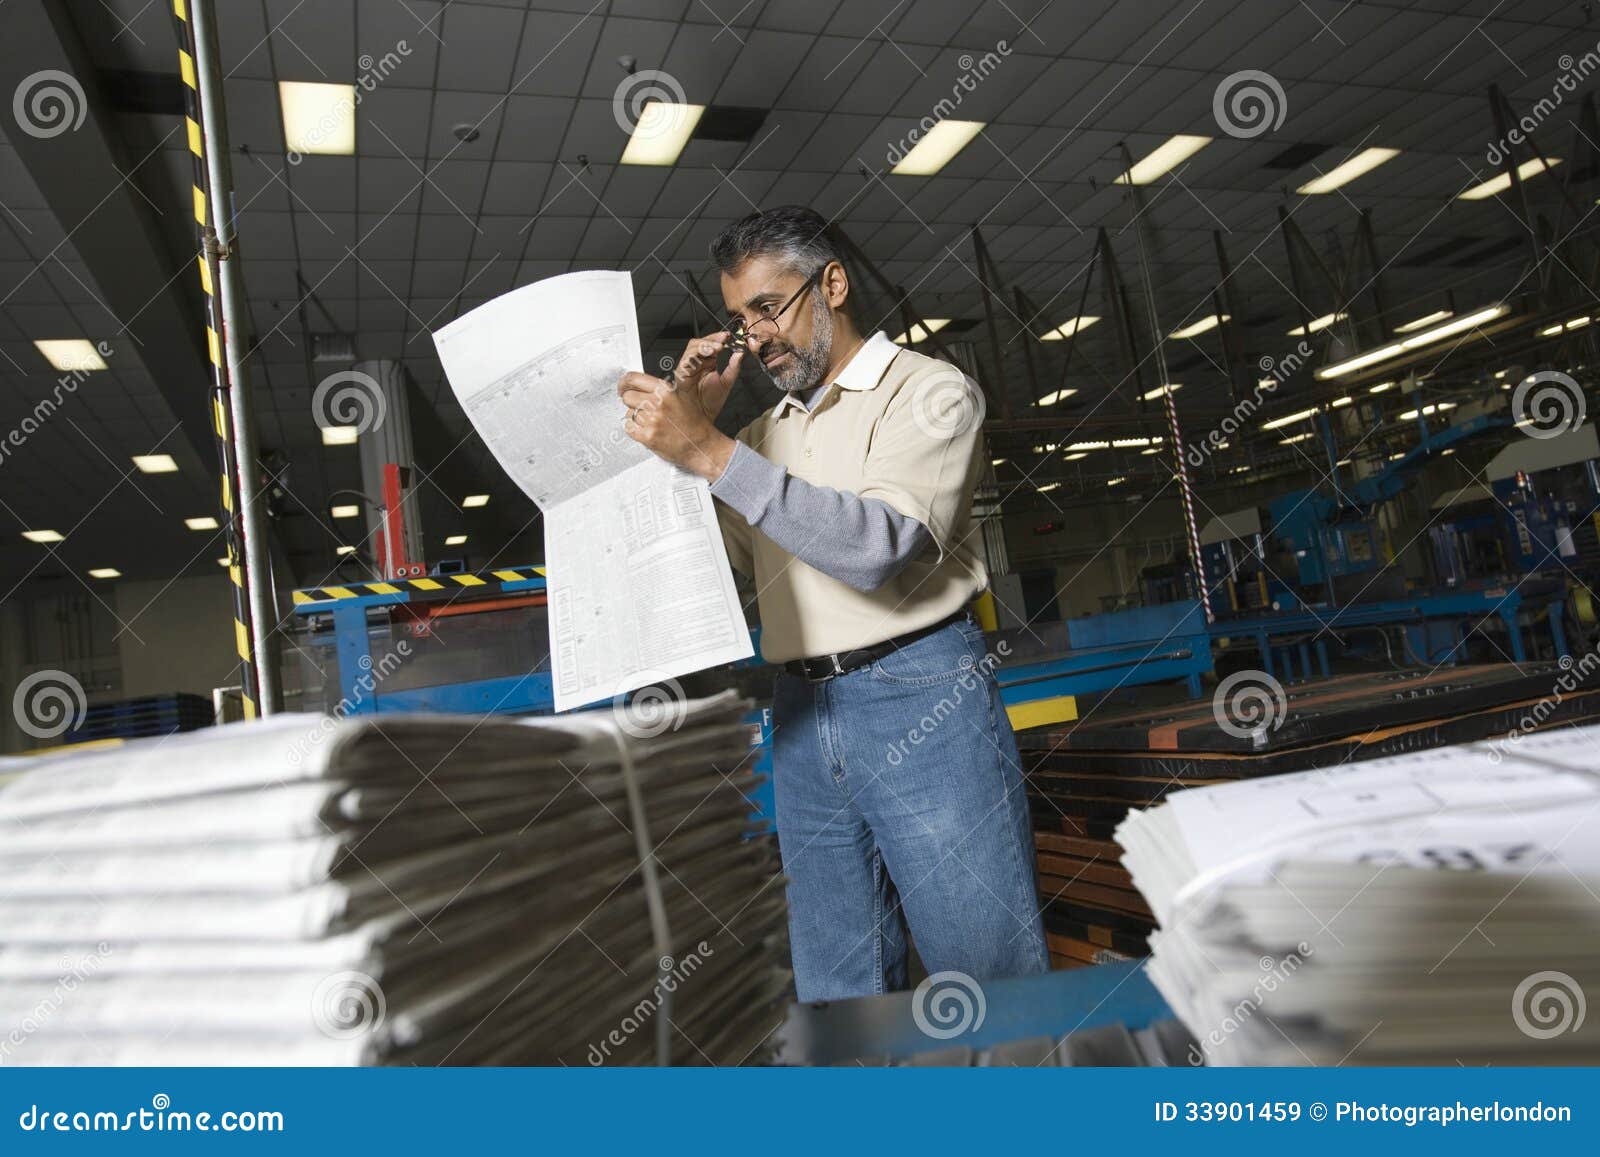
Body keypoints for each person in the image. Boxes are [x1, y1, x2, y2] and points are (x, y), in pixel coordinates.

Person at [616, 205, 1047, 1001]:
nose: (756, 336)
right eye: (741, 319)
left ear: (834, 284)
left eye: (769, 307)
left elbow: (877, 547)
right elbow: (714, 574)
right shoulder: (756, 435)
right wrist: (691, 446)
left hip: (921, 693)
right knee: (835, 981)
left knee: (985, 967)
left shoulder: (929, 392)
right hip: (801, 712)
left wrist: (711, 452)